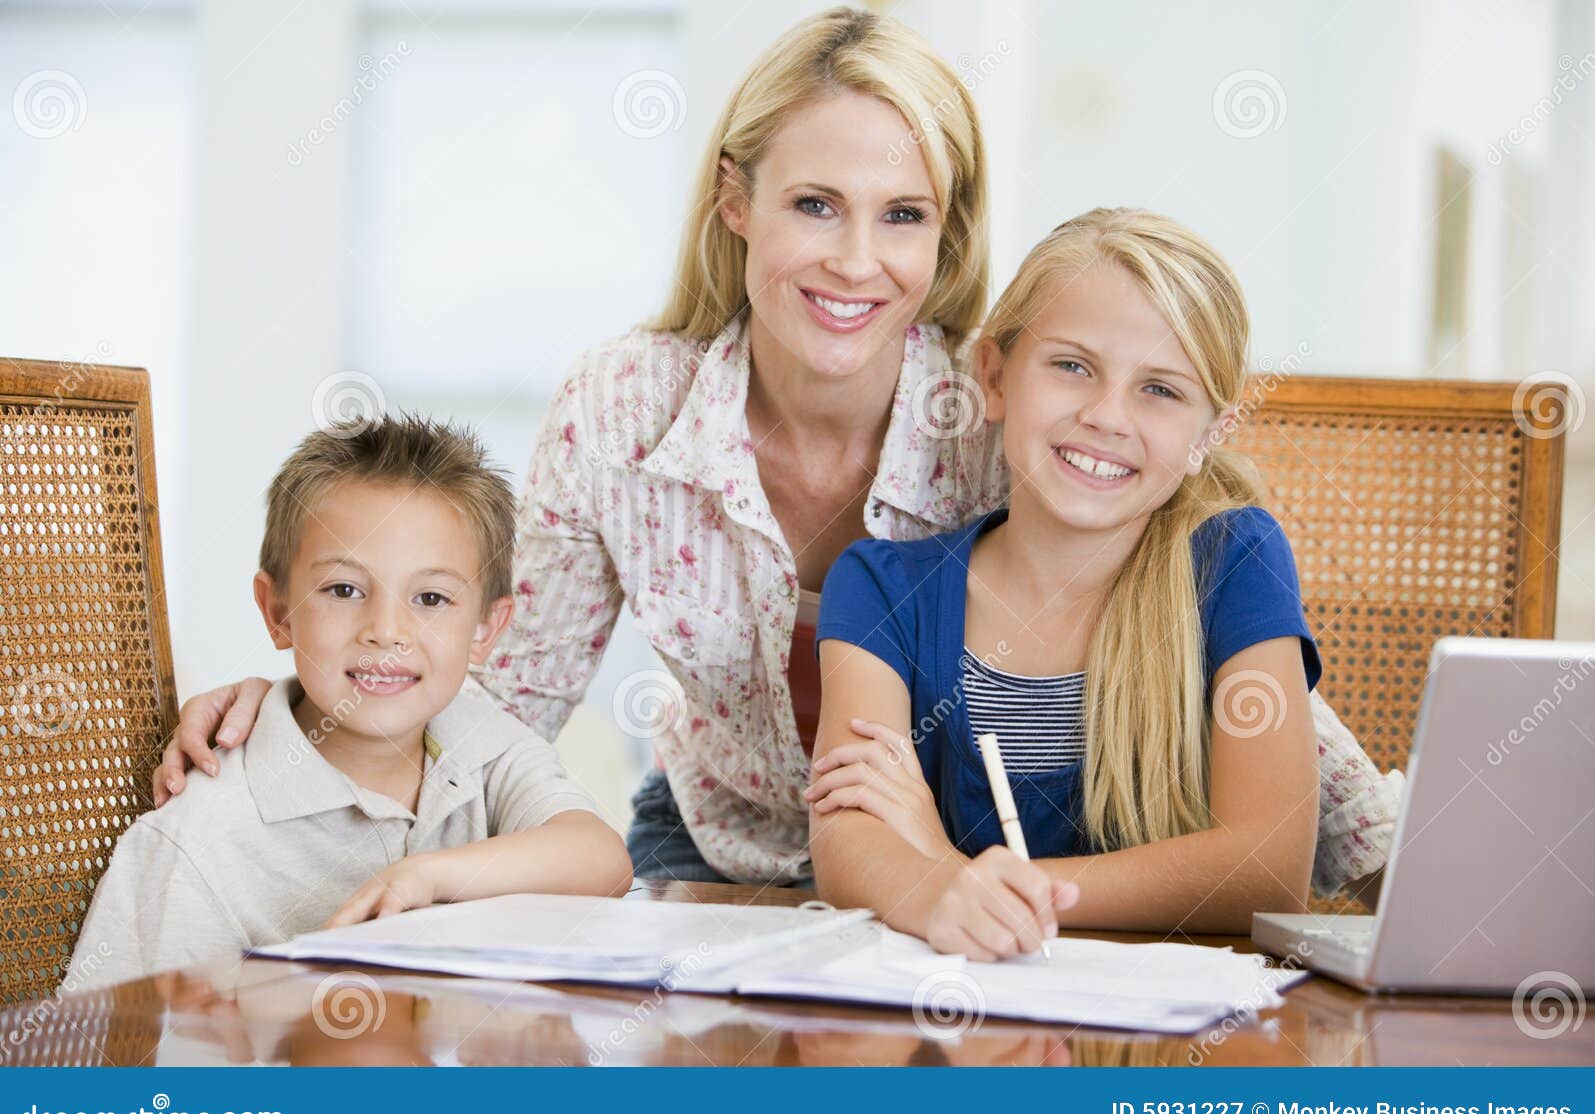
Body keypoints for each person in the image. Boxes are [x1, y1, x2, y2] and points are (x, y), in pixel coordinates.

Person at [148, 8, 1397, 901]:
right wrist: (306, 707)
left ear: (945, 236)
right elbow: (499, 698)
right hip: (717, 852)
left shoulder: (1018, 417)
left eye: (901, 216)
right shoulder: (622, 408)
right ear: (736, 199)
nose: (856, 261)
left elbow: (1195, 628)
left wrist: (1380, 852)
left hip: (965, 868)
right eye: (814, 204)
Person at [808, 209, 1322, 951]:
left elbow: (1266, 869)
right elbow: (847, 842)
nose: (1107, 416)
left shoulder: (1235, 562)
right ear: (994, 378)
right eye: (1073, 366)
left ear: (1208, 436)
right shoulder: (882, 588)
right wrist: (942, 891)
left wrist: (957, 877)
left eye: (1161, 390)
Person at [70, 416, 631, 988]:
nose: (386, 631)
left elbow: (601, 859)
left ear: (485, 629)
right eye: (344, 590)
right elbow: (119, 1035)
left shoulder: (484, 743)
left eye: (431, 598)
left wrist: (424, 877)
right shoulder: (199, 840)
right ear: (278, 612)